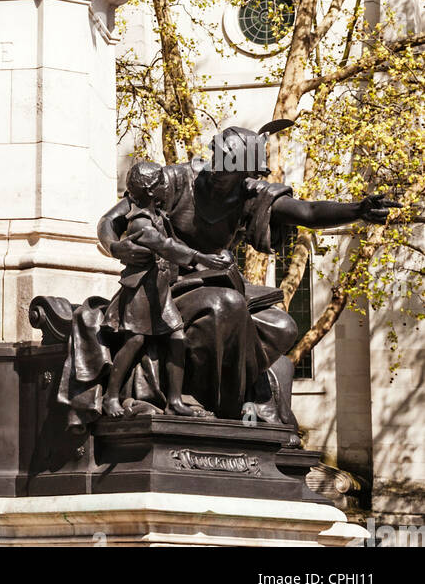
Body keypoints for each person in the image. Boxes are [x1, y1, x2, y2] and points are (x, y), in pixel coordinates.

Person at [60, 129, 396, 429]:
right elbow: (110, 221)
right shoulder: (175, 179)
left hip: (219, 282)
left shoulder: (251, 196)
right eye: (216, 160)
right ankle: (219, 406)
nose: (216, 170)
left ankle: (238, 406)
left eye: (227, 167)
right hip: (168, 287)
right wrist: (118, 248)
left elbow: (307, 212)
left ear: (245, 173)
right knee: (227, 305)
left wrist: (357, 210)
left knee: (282, 326)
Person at [101, 162, 231, 417]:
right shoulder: (139, 222)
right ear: (150, 190)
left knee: (177, 338)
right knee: (135, 340)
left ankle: (174, 401)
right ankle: (110, 397)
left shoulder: (157, 215)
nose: (166, 186)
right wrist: (202, 258)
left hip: (159, 291)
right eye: (161, 183)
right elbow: (166, 246)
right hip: (140, 291)